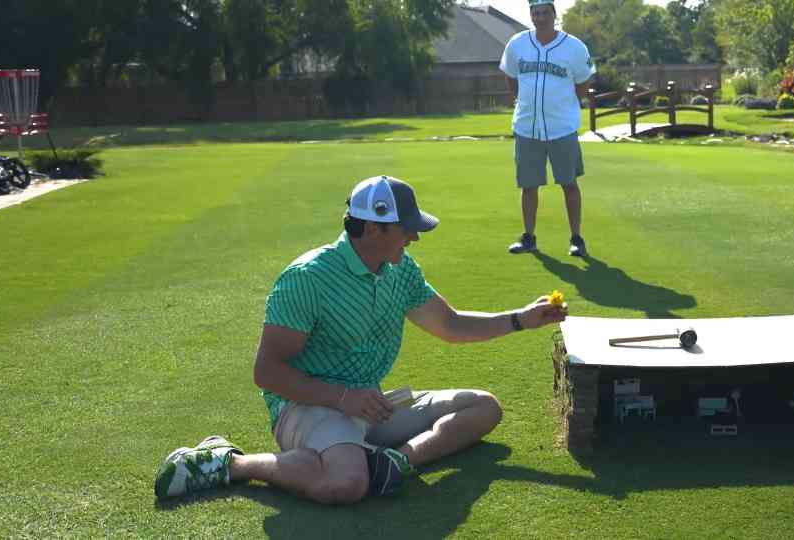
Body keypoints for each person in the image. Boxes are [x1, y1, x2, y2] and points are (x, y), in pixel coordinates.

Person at [154, 175, 568, 504]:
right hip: (304, 407)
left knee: (482, 407)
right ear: (372, 228)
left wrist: (520, 319)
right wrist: (341, 398)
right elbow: (267, 372)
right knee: (347, 484)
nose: (414, 237)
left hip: (369, 406)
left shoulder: (399, 269)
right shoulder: (307, 278)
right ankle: (234, 463)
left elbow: (451, 324)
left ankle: (395, 461)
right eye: (406, 229)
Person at [500, 0, 596, 257]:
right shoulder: (517, 44)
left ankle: (576, 238)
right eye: (535, 13)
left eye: (545, 12)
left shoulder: (574, 47)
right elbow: (511, 77)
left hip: (561, 127)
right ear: (530, 15)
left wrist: (564, 104)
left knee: (569, 183)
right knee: (529, 186)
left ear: (554, 14)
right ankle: (528, 237)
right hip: (527, 127)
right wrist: (521, 101)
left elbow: (583, 82)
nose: (540, 17)